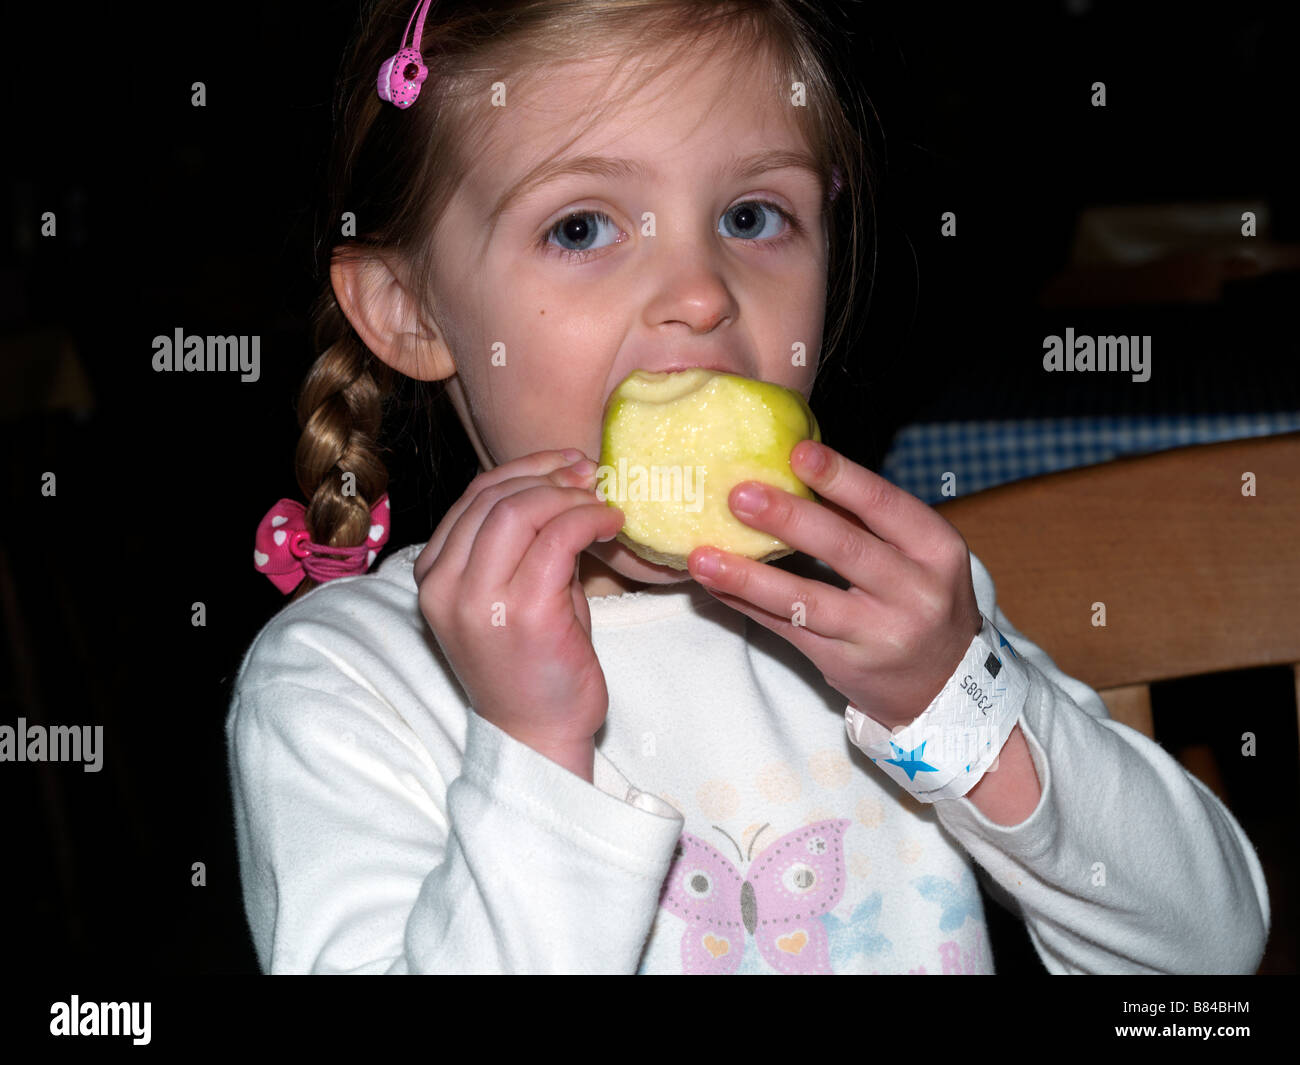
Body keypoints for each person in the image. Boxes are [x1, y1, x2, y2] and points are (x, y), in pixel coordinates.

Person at [226, 0, 1270, 974]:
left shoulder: (884, 620)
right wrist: (535, 752)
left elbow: (1209, 949)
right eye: (581, 228)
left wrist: (957, 708)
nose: (699, 294)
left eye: (752, 218)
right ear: (408, 309)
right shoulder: (352, 686)